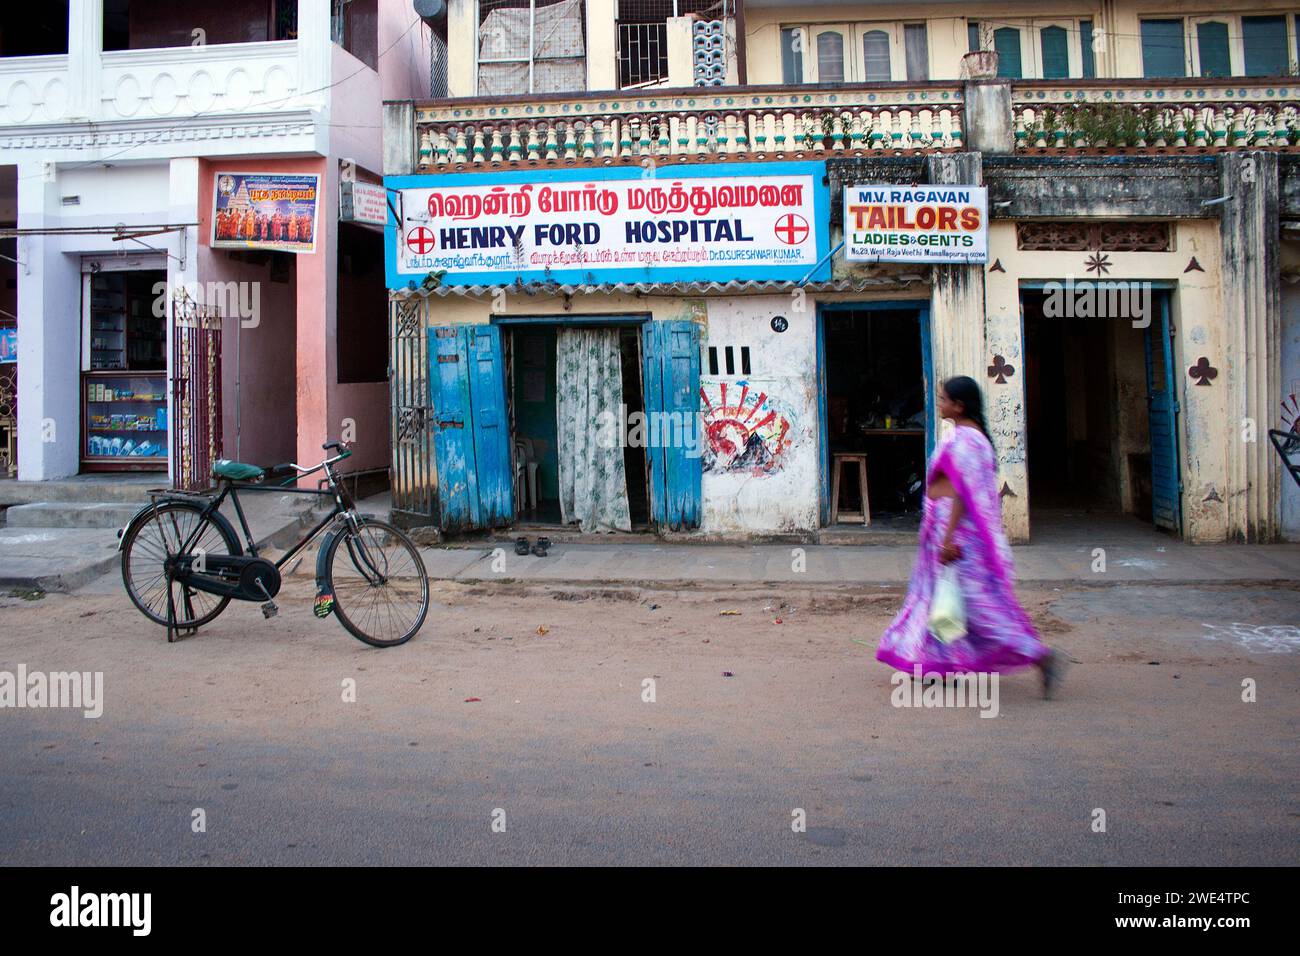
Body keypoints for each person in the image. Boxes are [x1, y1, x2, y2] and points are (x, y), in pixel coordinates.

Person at [877, 375, 1067, 698]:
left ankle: (1040, 656)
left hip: (962, 541)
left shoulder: (966, 441)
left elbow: (962, 494)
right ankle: (945, 665)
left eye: (944, 399)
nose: (939, 403)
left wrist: (949, 539)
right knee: (945, 602)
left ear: (959, 405)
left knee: (981, 610)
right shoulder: (969, 438)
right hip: (952, 537)